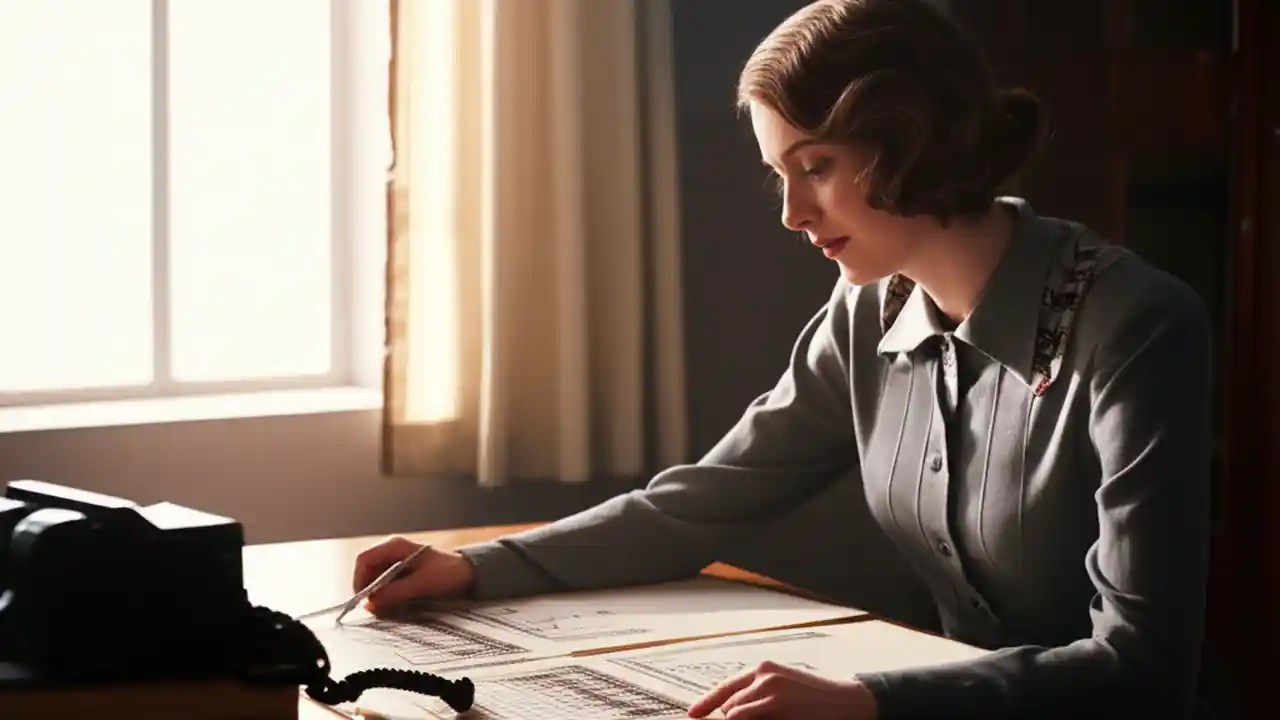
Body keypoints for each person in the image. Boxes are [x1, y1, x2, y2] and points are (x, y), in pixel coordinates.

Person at [352, 1, 1212, 717]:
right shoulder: (868, 310)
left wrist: (867, 703)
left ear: (911, 139)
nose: (793, 213)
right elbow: (703, 505)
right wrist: (474, 567)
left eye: (818, 167)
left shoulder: (1134, 325)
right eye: (780, 175)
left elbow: (1142, 664)